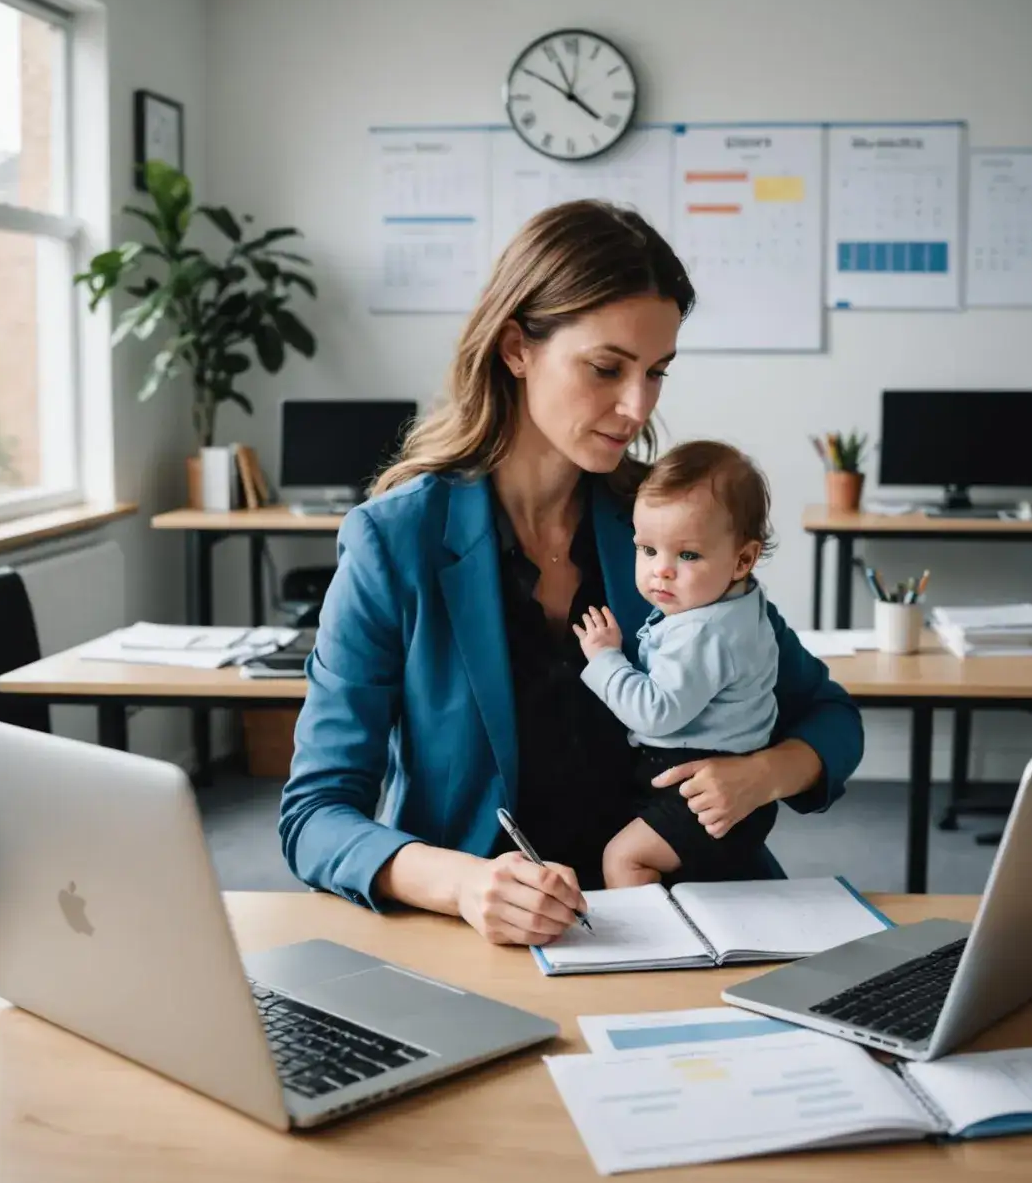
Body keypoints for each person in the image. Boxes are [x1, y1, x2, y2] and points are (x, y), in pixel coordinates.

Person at [279, 199, 863, 948]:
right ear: (517, 347)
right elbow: (317, 813)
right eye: (607, 368)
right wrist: (463, 884)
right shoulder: (396, 541)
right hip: (502, 937)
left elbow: (829, 717)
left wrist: (769, 772)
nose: (637, 405)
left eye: (656, 372)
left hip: (703, 919)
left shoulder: (669, 527)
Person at [573, 439, 780, 889]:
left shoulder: (703, 632)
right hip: (718, 786)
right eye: (647, 550)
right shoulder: (739, 603)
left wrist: (606, 659)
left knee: (624, 859)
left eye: (687, 555)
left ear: (743, 558)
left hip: (700, 790)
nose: (660, 571)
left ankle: (651, 948)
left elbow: (656, 712)